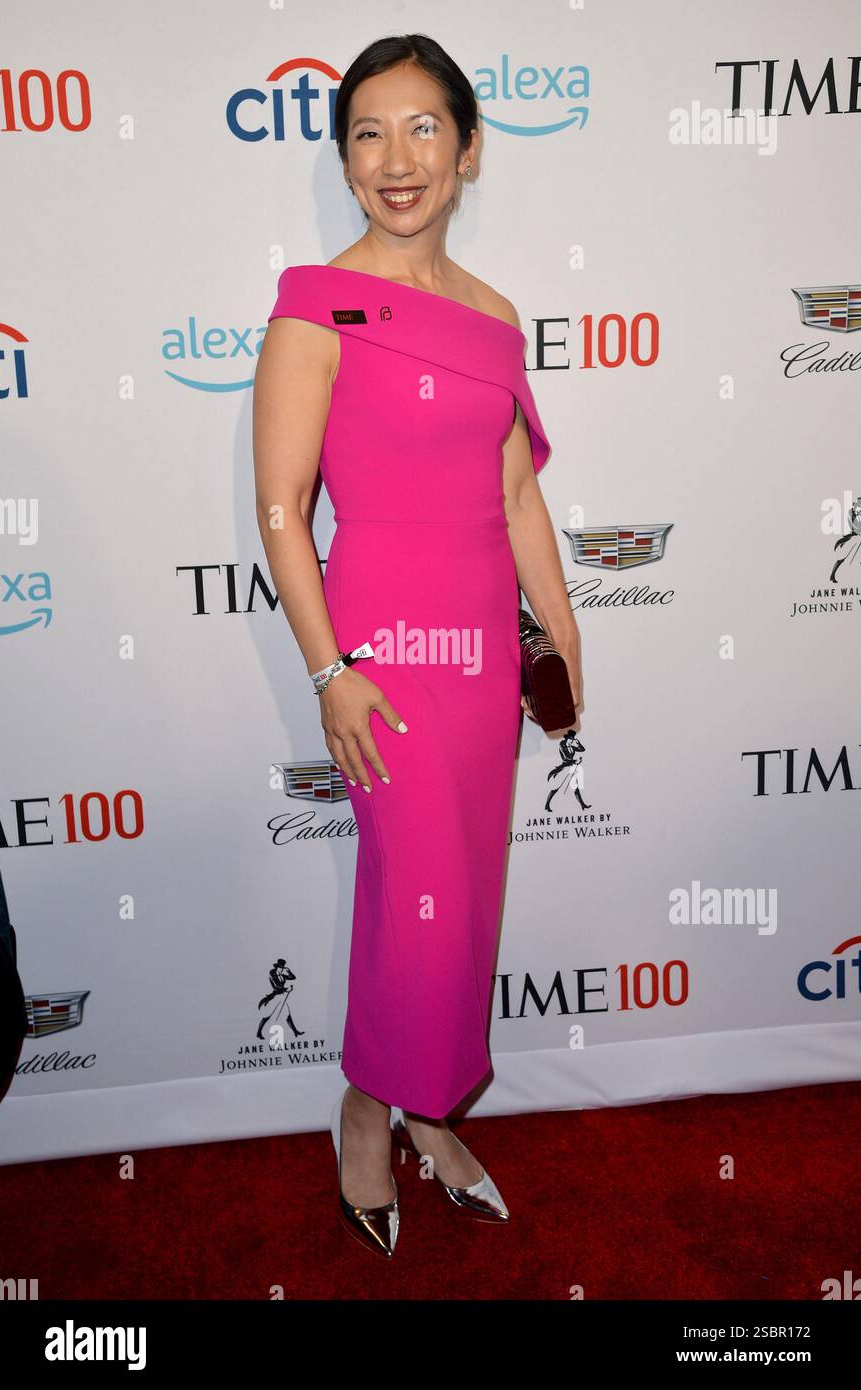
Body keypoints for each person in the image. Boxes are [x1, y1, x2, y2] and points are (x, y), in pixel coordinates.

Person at [253, 33, 583, 1259]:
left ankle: (430, 1114)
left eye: (423, 129)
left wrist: (557, 632)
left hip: (481, 662)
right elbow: (284, 509)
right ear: (343, 160)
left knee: (466, 905)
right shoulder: (316, 305)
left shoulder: (495, 320)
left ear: (469, 149)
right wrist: (331, 672)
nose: (396, 160)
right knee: (416, 910)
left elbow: (515, 503)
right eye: (367, 135)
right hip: (380, 660)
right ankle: (362, 1109)